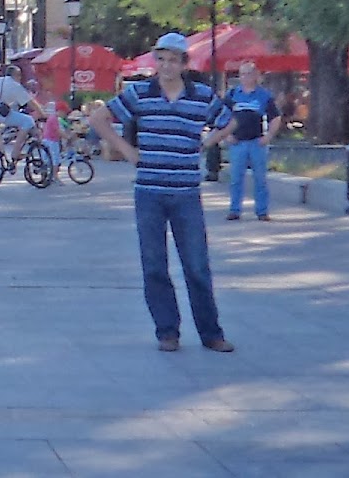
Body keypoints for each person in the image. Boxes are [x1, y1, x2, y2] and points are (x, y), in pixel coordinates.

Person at [89, 32, 238, 353]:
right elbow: (99, 118)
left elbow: (229, 121)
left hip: (186, 192)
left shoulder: (201, 96)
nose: (166, 66)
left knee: (196, 264)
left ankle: (211, 332)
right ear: (155, 61)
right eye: (161, 59)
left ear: (184, 64)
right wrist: (127, 151)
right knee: (154, 264)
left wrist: (207, 141)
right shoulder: (140, 93)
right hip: (149, 192)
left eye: (173, 60)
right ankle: (167, 331)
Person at [224, 62, 282, 221]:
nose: (245, 77)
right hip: (237, 142)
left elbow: (275, 117)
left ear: (256, 75)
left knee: (260, 179)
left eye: (249, 73)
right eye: (242, 74)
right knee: (236, 179)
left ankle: (262, 211)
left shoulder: (264, 96)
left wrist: (269, 136)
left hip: (257, 142)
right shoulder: (233, 94)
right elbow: (221, 115)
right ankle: (234, 210)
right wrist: (225, 135)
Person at [0, 65, 43, 164]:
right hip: (0, 113)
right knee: (28, 121)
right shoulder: (14, 85)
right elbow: (31, 102)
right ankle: (15, 152)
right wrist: (43, 114)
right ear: (17, 75)